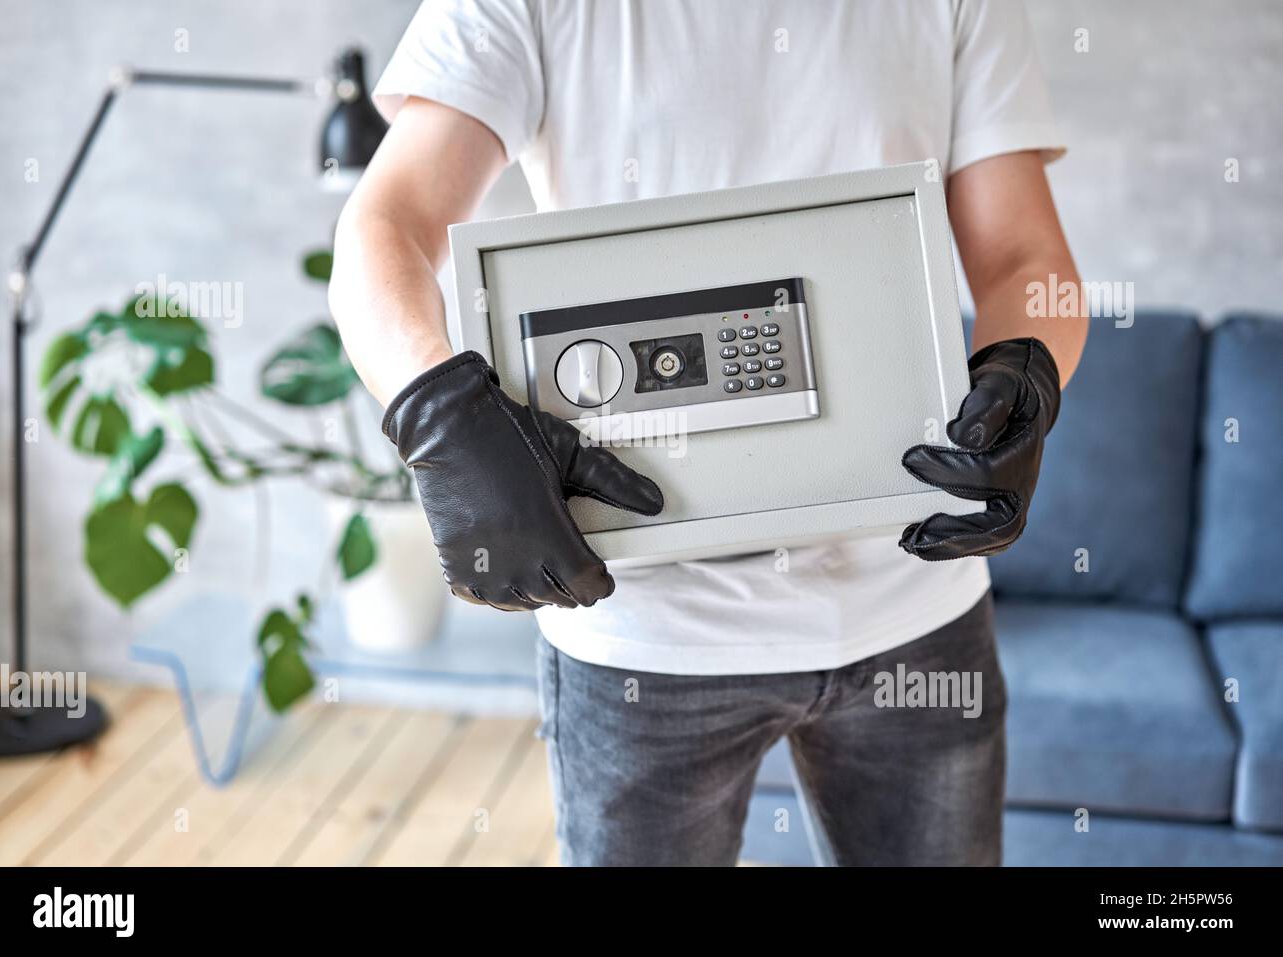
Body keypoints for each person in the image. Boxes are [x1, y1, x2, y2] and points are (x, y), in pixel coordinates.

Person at [329, 0, 1088, 866]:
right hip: (643, 631)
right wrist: (442, 414)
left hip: (917, 603)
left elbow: (1025, 260)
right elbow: (382, 228)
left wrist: (1029, 368)